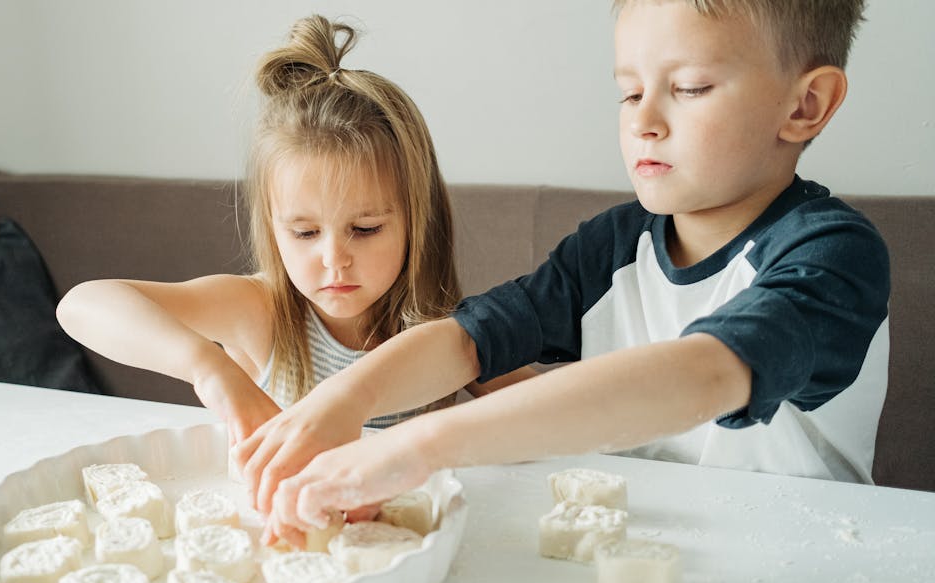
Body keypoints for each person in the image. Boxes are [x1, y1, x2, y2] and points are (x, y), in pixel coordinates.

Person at [238, 0, 890, 547]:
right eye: (629, 90)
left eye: (688, 88)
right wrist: (344, 400)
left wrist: (420, 444)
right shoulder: (612, 245)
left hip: (804, 564)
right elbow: (470, 339)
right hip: (638, 555)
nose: (643, 119)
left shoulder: (835, 254)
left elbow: (705, 372)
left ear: (806, 104)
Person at [57, 16, 530, 457]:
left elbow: (563, 412)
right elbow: (81, 305)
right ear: (272, 225)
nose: (333, 258)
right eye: (304, 232)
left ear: (419, 220)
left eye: (365, 229)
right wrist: (208, 367)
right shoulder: (261, 311)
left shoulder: (446, 333)